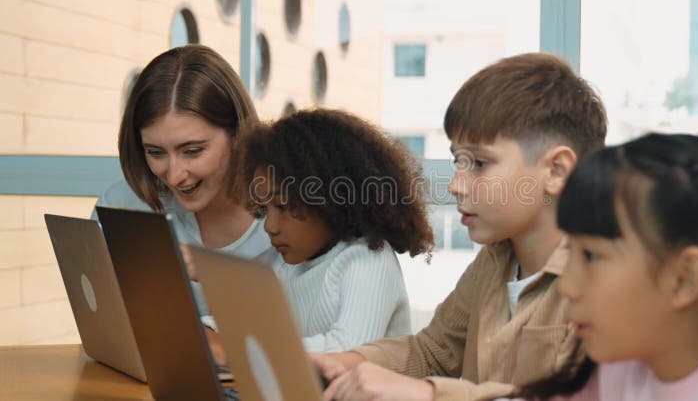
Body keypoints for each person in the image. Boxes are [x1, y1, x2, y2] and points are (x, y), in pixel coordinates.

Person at [313, 53, 608, 401]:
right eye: (459, 161)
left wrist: (428, 394)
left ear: (556, 171)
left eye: (480, 163)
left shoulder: (600, 279)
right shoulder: (494, 261)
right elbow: (434, 351)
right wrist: (345, 362)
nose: (456, 185)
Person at [506, 133, 698, 400]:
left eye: (592, 256)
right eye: (570, 251)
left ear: (685, 278)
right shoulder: (624, 366)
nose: (567, 286)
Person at [93, 45, 269, 355]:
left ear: (238, 135)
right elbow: (105, 322)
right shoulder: (122, 204)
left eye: (192, 151)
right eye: (156, 153)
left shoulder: (289, 216)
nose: (174, 176)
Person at [231, 108, 434, 352]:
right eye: (265, 209)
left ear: (332, 200)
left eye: (284, 206)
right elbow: (249, 319)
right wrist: (211, 330)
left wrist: (242, 347)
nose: (269, 226)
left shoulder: (368, 260)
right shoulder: (289, 264)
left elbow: (347, 349)